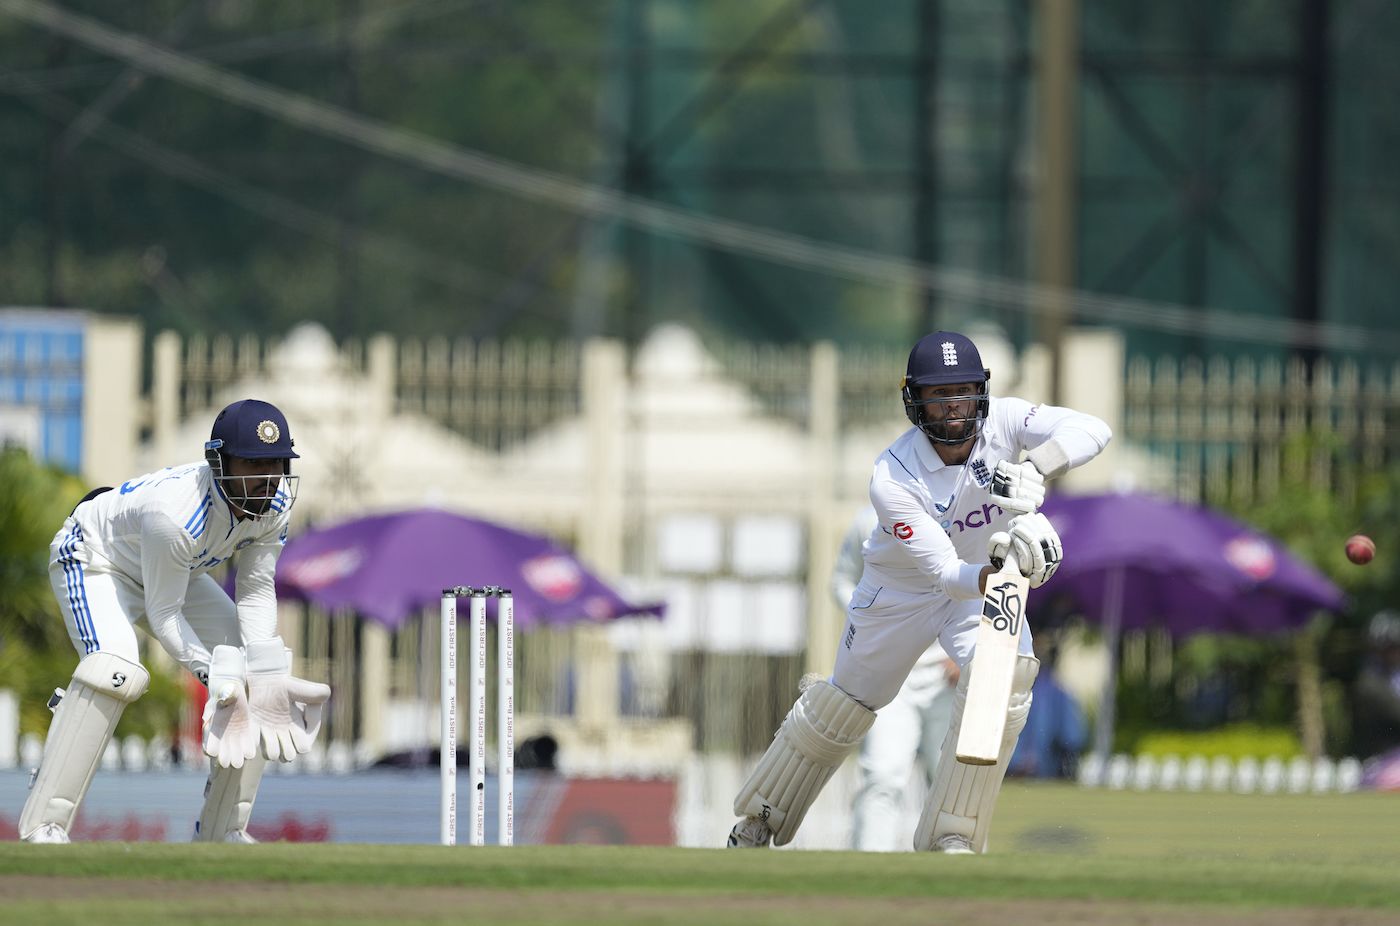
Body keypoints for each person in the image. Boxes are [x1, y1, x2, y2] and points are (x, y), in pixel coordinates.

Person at [727, 330, 1111, 854]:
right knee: (846, 705)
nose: (953, 405)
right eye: (938, 393)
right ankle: (759, 818)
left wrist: (1037, 466)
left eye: (963, 390)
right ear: (915, 400)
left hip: (978, 587)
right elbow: (943, 574)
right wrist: (999, 570)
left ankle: (952, 835)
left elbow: (1094, 428)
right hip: (898, 596)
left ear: (982, 390)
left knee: (1005, 683)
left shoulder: (1005, 420)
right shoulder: (892, 476)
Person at [19, 398, 330, 844]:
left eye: (277, 463)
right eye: (252, 463)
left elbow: (257, 589)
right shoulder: (177, 515)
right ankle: (44, 824)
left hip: (172, 573)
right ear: (219, 461)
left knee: (259, 676)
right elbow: (165, 616)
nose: (266, 479)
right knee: (115, 670)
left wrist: (257, 672)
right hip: (95, 560)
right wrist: (216, 679)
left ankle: (224, 832)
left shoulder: (275, 501)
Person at [833, 505, 959, 851]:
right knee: (883, 776)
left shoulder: (967, 515)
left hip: (946, 677)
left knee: (954, 784)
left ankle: (961, 872)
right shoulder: (869, 520)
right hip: (890, 676)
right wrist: (869, 622)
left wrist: (967, 651)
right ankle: (869, 873)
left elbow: (984, 587)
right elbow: (842, 581)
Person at [1353, 610, 1400, 760]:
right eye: (1391, 648)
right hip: (1383, 758)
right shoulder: (1369, 683)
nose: (1396, 653)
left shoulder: (1394, 675)